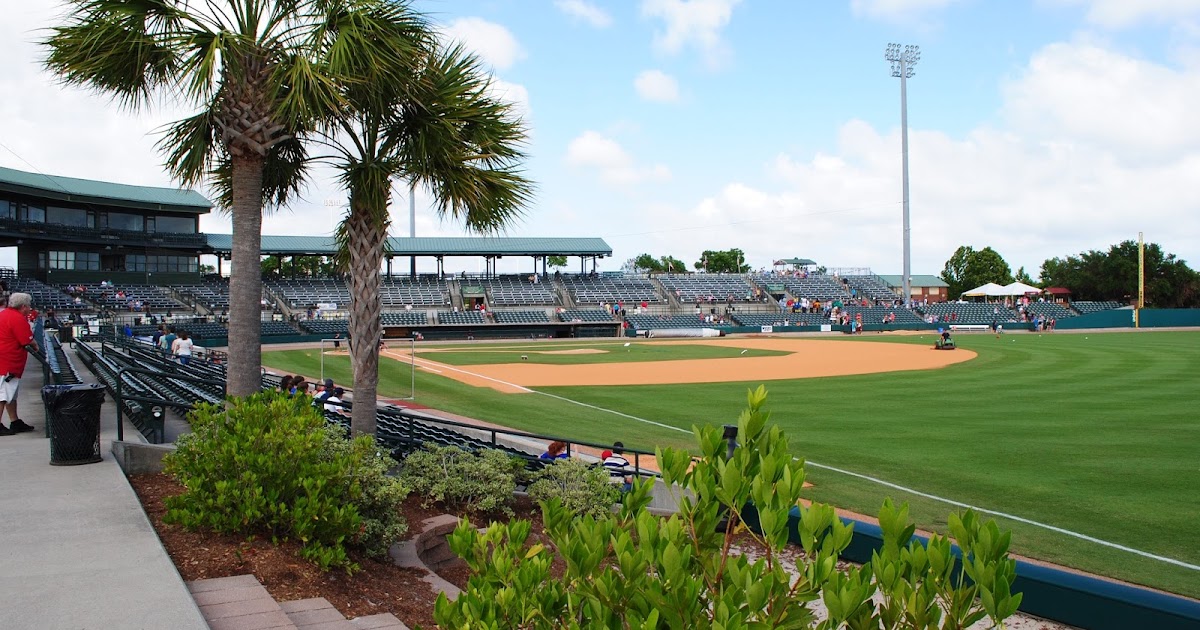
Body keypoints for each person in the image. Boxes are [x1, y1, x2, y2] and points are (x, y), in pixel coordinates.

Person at [0, 293, 40, 435]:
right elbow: (27, 340)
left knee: (11, 394)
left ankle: (15, 421)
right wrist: (36, 345)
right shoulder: (16, 318)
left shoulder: (6, 314)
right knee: (3, 395)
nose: (29, 309)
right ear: (23, 306)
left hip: (6, 360)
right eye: (28, 306)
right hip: (7, 362)